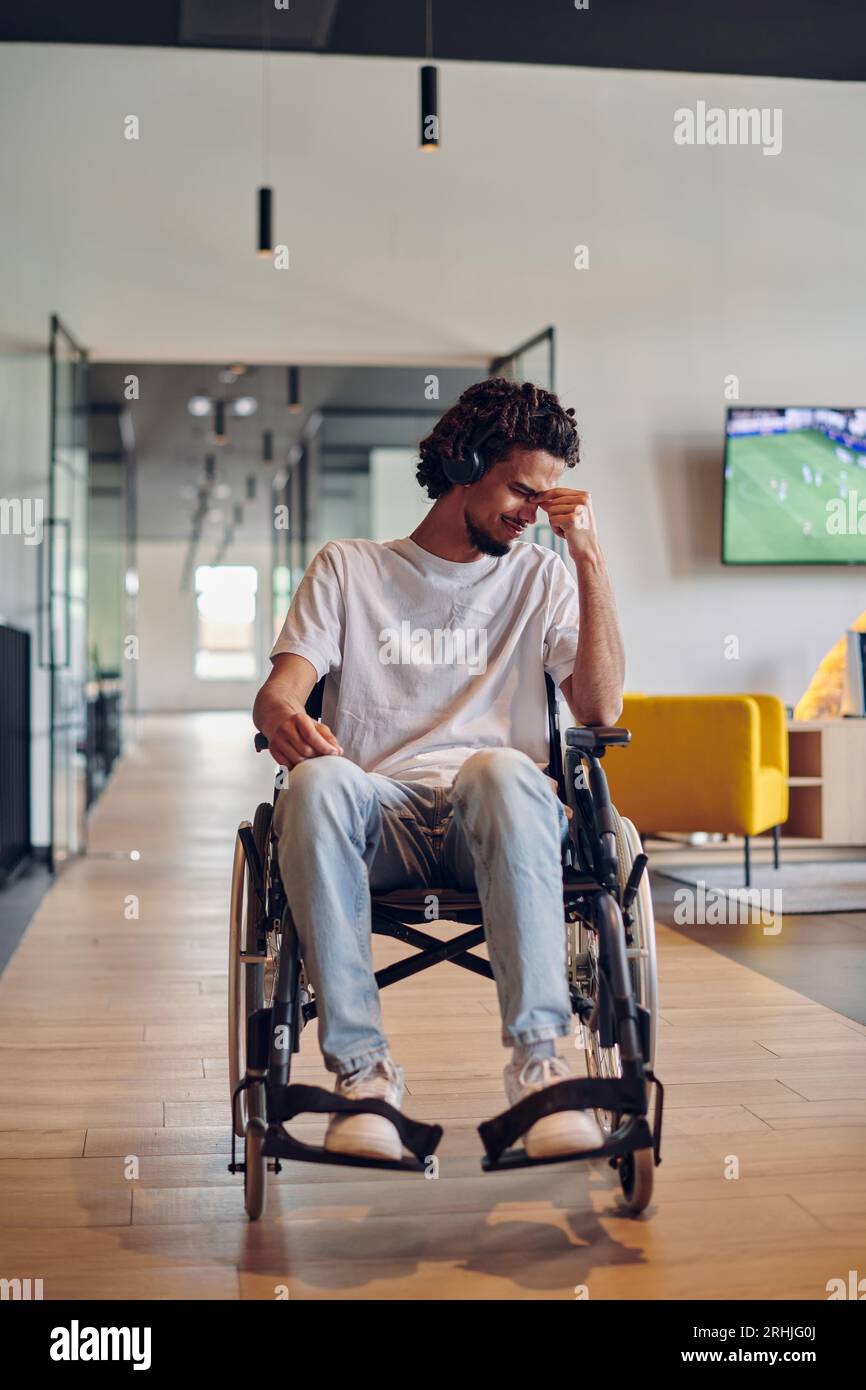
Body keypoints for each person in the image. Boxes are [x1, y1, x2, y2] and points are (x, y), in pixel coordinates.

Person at [252, 377, 625, 1161]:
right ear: (464, 462)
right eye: (522, 490)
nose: (534, 513)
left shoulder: (543, 578)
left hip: (495, 816)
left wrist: (588, 561)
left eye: (548, 498)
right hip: (376, 817)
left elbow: (601, 710)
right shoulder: (350, 569)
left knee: (497, 768)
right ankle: (364, 1078)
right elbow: (282, 690)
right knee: (317, 783)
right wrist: (282, 715)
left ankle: (542, 1068)